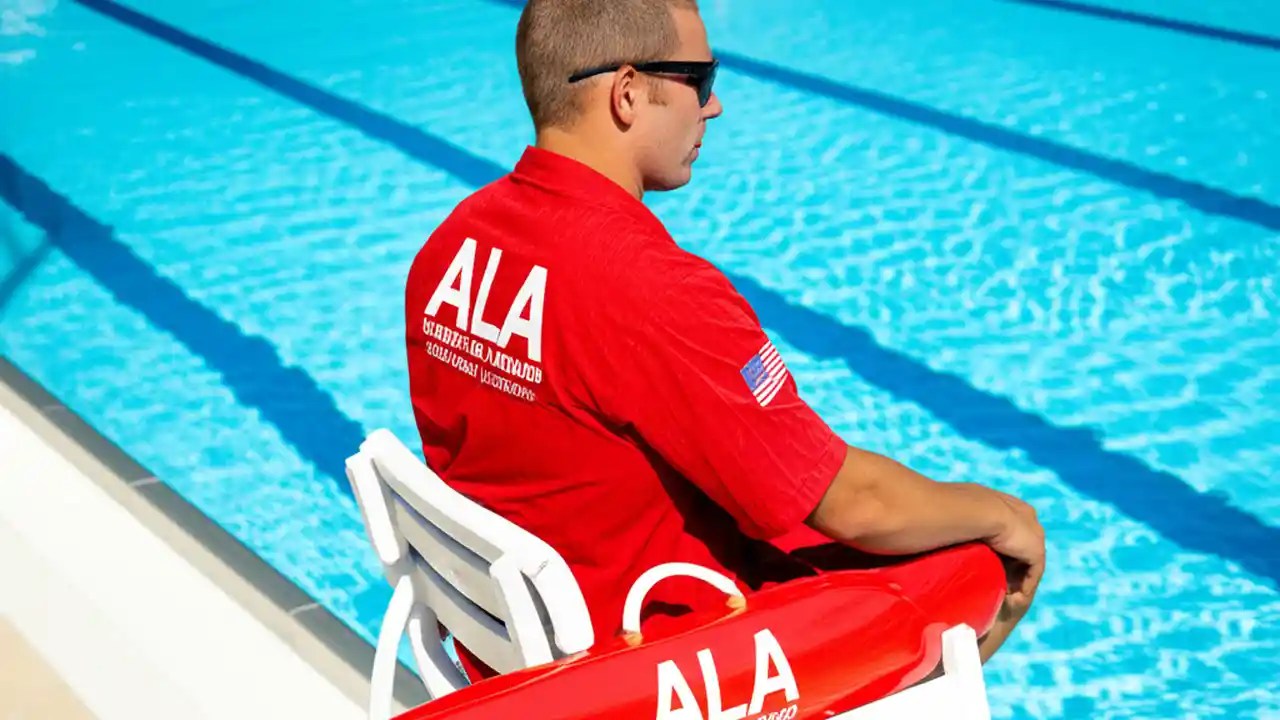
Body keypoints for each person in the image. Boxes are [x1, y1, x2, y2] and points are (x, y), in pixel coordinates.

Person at [404, 0, 1045, 681]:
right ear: (627, 93)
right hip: (640, 653)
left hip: (510, 641)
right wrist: (1004, 514)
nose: (713, 109)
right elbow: (853, 504)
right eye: (700, 82)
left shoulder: (452, 246)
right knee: (982, 562)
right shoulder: (652, 287)